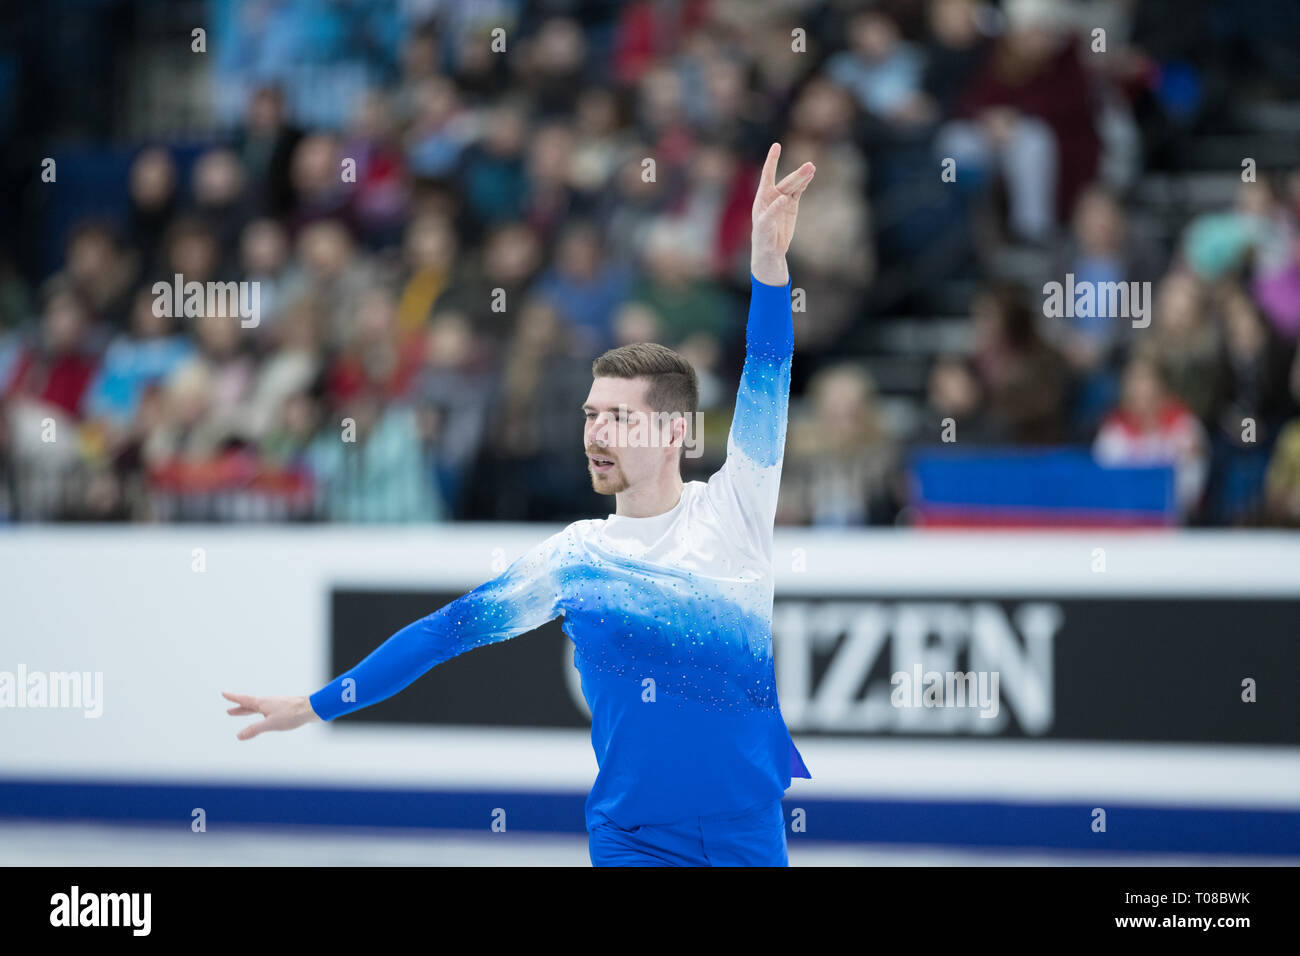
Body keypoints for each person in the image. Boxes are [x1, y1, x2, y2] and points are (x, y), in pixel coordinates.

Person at [222, 143, 816, 867]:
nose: (596, 433)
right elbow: (446, 632)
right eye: (592, 415)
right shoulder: (576, 558)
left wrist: (767, 267)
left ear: (675, 432)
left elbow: (768, 376)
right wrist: (316, 704)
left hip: (747, 835)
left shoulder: (736, 507)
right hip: (634, 839)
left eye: (620, 419)